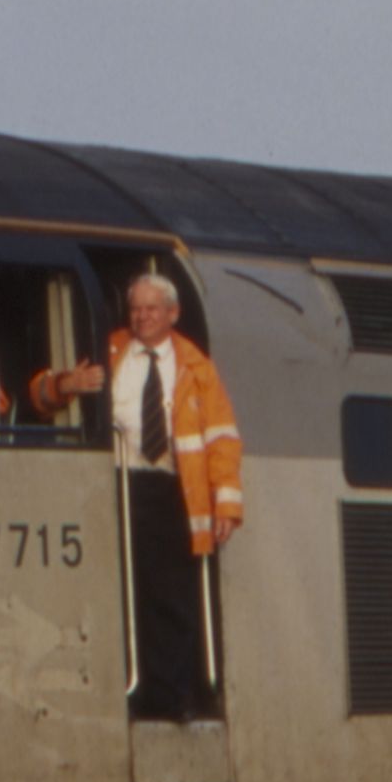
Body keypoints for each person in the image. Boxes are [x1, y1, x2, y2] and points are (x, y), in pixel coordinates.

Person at [28, 267, 242, 721]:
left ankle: (171, 699)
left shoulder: (197, 367)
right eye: (136, 309)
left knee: (172, 596)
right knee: (122, 589)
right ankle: (129, 694)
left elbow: (222, 439)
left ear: (173, 313)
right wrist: (67, 385)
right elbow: (39, 394)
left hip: (172, 490)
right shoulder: (109, 349)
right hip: (118, 487)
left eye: (151, 309)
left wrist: (226, 504)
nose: (141, 317)